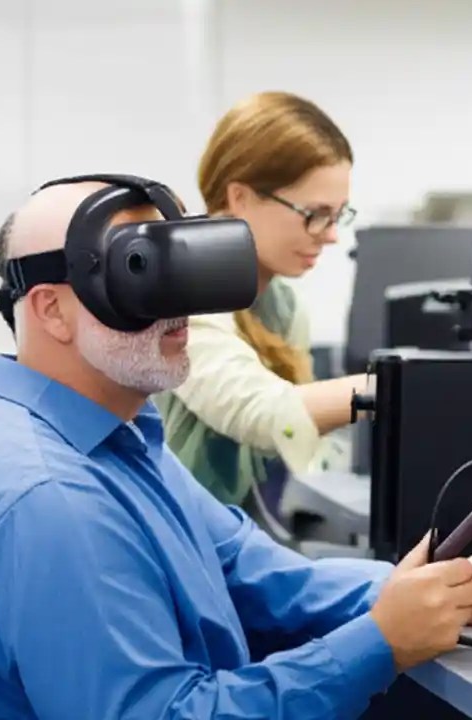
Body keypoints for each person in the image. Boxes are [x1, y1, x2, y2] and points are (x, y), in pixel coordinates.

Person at [0, 179, 472, 719]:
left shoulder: (118, 435)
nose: (180, 308)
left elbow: (255, 573)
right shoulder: (53, 498)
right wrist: (383, 642)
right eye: (138, 271)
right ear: (51, 310)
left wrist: (447, 590)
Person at [152, 90, 369, 508]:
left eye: (337, 215)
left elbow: (296, 443)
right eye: (315, 214)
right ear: (241, 197)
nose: (331, 235)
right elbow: (267, 416)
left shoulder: (282, 306)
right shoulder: (183, 289)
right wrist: (395, 385)